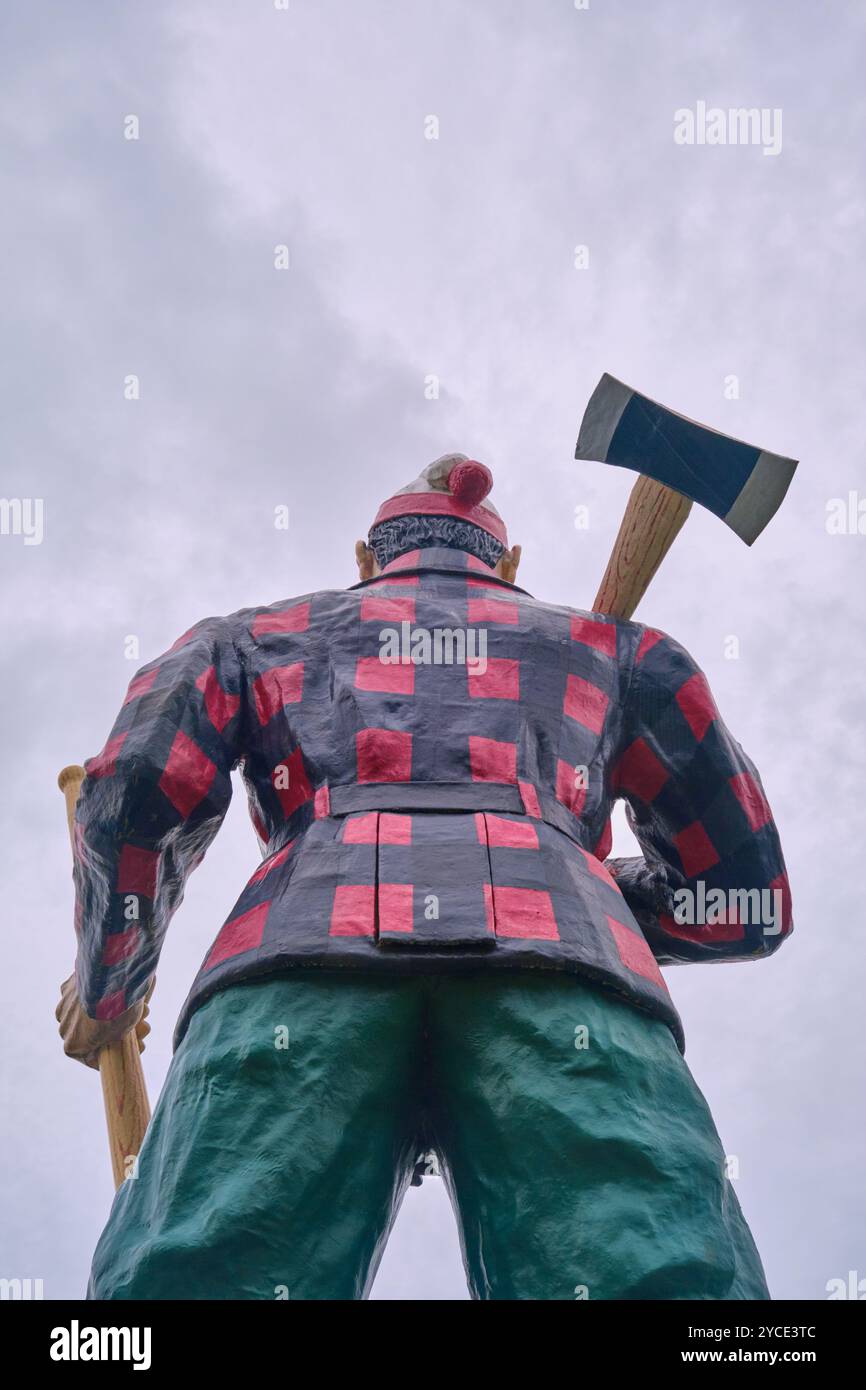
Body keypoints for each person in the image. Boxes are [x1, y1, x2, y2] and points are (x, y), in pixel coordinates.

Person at [57, 453, 792, 1300]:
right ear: (509, 565)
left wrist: (108, 983)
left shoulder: (252, 637)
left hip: (298, 972)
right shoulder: (627, 656)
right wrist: (578, 887)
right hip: (569, 988)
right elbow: (747, 898)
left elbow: (131, 791)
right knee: (654, 1279)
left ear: (366, 558)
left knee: (203, 1278)